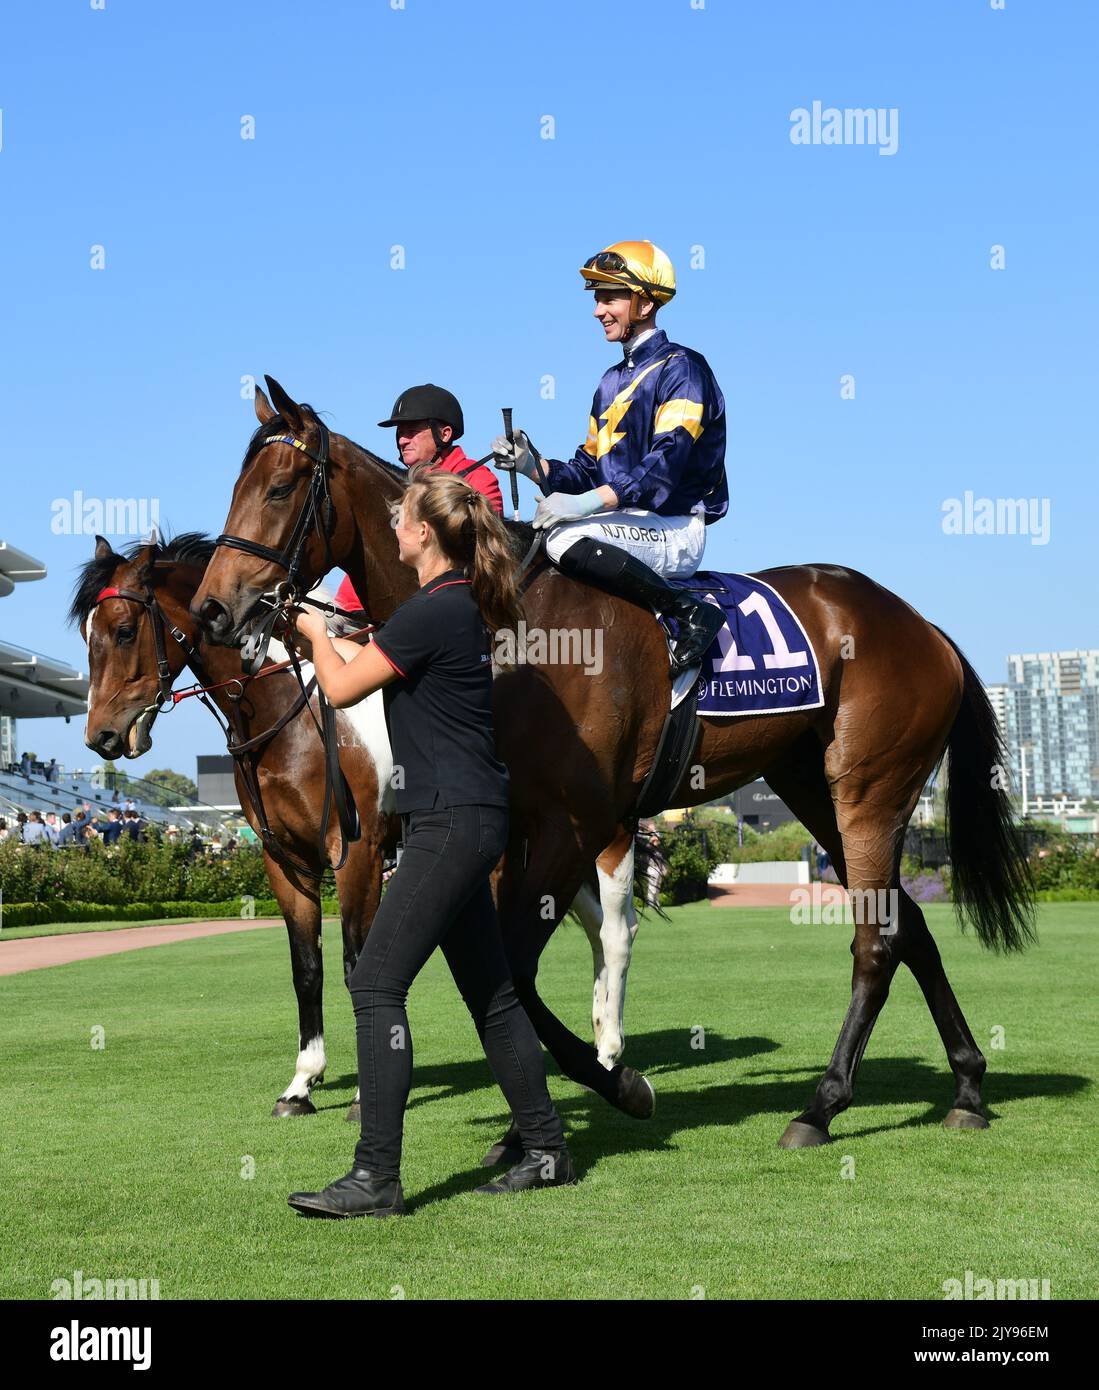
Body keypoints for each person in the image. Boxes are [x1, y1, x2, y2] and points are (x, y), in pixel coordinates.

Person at [286, 467, 574, 1218]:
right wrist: (344, 636)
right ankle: (546, 1151)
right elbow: (379, 663)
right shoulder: (450, 608)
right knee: (493, 995)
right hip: (465, 817)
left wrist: (316, 633)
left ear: (423, 534)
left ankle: (375, 1177)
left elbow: (344, 689)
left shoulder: (428, 610)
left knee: (376, 983)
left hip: (448, 822)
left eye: (402, 514)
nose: (392, 523)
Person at [492, 240, 729, 674]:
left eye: (609, 298)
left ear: (643, 302)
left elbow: (664, 465)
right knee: (529, 537)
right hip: (628, 524)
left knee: (562, 538)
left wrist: (584, 504)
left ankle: (692, 613)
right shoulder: (609, 382)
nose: (598, 310)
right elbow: (586, 468)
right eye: (597, 299)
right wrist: (533, 467)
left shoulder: (684, 369)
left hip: (674, 526)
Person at [333, 384, 502, 615]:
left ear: (444, 434)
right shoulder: (399, 488)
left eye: (411, 431)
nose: (402, 440)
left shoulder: (477, 479)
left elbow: (480, 553)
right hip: (374, 612)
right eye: (400, 432)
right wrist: (344, 609)